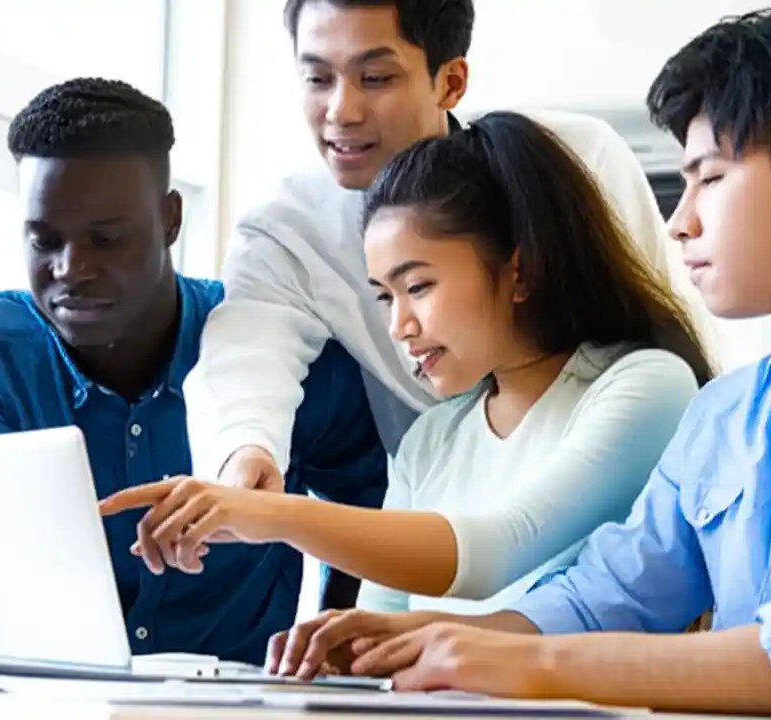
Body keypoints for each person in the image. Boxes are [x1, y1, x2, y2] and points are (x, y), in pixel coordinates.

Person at [258, 8, 771, 717]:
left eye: (709, 177)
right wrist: (412, 637)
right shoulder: (730, 412)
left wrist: (533, 664)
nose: (680, 221)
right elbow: (605, 598)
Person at [99, 113, 710, 651]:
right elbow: (379, 623)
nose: (400, 326)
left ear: (521, 271)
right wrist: (333, 653)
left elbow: (492, 550)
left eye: (418, 287)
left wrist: (270, 514)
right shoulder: (432, 439)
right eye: (385, 296)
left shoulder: (647, 387)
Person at [0, 78, 387, 666]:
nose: (70, 269)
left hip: (234, 707)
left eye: (105, 239)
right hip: (48, 696)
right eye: (44, 240)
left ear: (170, 219)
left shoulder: (272, 345)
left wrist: (330, 643)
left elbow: (371, 508)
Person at [180, 0, 716, 504]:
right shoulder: (290, 224)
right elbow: (246, 350)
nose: (340, 112)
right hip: (433, 509)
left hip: (619, 497)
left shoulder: (572, 161)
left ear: (451, 82)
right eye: (317, 78)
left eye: (375, 78)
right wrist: (246, 451)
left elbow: (662, 326)